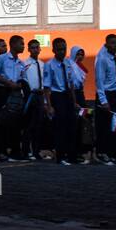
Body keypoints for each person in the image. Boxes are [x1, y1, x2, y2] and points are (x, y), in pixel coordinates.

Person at [0, 35, 26, 161]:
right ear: (13, 44)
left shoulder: (21, 63)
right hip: (1, 92)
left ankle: (14, 152)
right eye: (21, 43)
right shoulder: (1, 59)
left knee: (15, 123)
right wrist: (8, 83)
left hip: (14, 93)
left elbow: (22, 77)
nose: (23, 46)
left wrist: (20, 84)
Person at [44, 37, 80, 165]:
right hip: (57, 96)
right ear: (53, 50)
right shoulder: (49, 65)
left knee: (72, 126)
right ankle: (61, 156)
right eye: (59, 49)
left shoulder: (68, 63)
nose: (62, 51)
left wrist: (74, 101)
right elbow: (47, 87)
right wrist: (49, 105)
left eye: (64, 49)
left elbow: (71, 84)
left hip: (68, 96)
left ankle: (72, 156)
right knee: (60, 128)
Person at [93, 34, 116, 165]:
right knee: (104, 126)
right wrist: (103, 101)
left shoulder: (115, 58)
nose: (115, 45)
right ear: (106, 44)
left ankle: (113, 152)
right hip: (106, 95)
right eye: (112, 43)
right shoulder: (102, 59)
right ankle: (101, 153)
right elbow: (99, 81)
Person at [19, 39, 48, 160]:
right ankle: (26, 151)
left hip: (40, 96)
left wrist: (46, 100)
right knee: (29, 125)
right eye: (33, 47)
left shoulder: (42, 64)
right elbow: (22, 81)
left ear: (40, 49)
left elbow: (45, 82)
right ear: (29, 49)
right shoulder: (25, 64)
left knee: (39, 124)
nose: (36, 50)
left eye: (37, 47)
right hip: (30, 95)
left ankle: (36, 151)